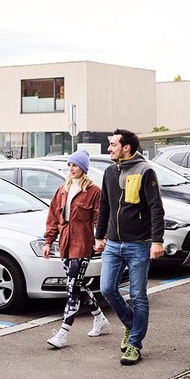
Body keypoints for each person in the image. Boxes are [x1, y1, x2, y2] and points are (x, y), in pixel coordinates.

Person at [94, 129, 165, 366]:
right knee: (107, 289)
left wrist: (157, 241)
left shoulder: (145, 171)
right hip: (113, 243)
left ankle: (134, 344)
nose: (109, 149)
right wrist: (99, 236)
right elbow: (105, 206)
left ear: (126, 148)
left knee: (137, 295)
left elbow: (156, 208)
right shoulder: (109, 172)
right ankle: (130, 324)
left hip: (139, 244)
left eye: (113, 145)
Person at [43, 148, 110, 349]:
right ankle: (99, 318)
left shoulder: (94, 191)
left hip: (82, 244)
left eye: (76, 165)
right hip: (65, 244)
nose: (72, 168)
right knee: (78, 285)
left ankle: (63, 333)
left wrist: (101, 238)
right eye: (70, 165)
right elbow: (53, 218)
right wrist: (48, 241)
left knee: (72, 287)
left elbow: (100, 218)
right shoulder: (63, 189)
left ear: (83, 168)